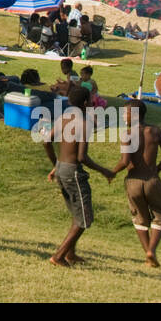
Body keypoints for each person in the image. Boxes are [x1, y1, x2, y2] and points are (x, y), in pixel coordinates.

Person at [42, 82, 114, 266]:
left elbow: (46, 141)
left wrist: (56, 164)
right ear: (85, 104)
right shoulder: (84, 123)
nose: (92, 103)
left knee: (76, 213)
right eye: (90, 101)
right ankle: (58, 256)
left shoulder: (63, 119)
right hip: (73, 172)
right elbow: (82, 156)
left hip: (62, 169)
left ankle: (70, 254)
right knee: (84, 219)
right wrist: (104, 170)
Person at [109, 100, 161, 267]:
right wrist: (157, 170)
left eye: (125, 113)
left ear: (135, 115)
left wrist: (112, 172)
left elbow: (125, 161)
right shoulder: (155, 131)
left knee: (139, 217)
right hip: (152, 180)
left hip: (133, 182)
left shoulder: (127, 134)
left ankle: (148, 254)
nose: (123, 116)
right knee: (160, 216)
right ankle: (151, 251)